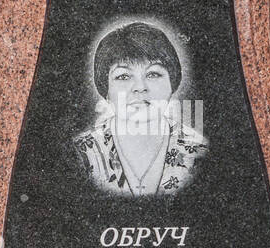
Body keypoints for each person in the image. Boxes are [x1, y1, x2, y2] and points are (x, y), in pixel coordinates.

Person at [73, 20, 207, 196]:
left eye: (153, 74)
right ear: (106, 91)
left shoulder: (199, 151)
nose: (140, 87)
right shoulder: (80, 153)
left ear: (172, 84)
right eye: (123, 76)